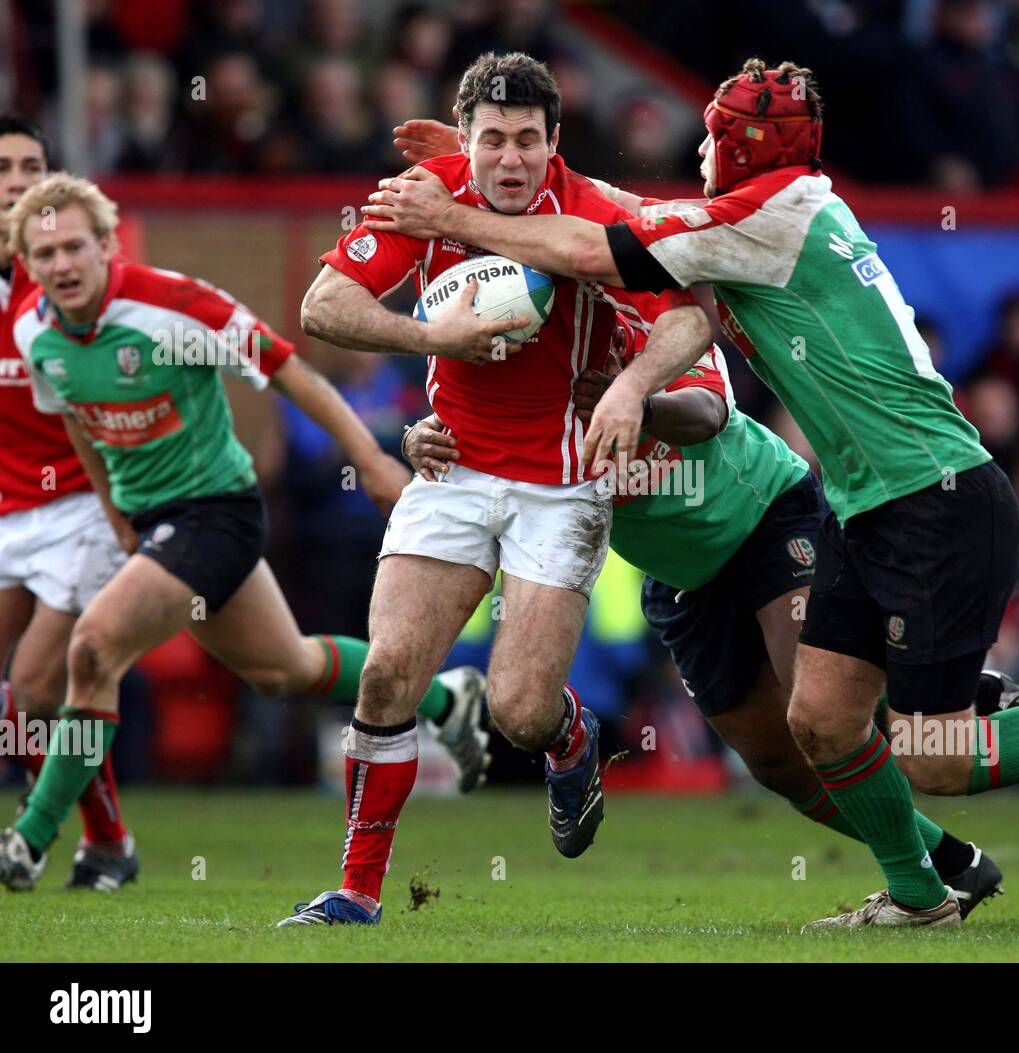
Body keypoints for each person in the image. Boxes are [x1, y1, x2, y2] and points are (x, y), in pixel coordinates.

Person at [364, 58, 1019, 929]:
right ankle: (922, 895)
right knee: (815, 729)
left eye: (712, 136)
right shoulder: (768, 209)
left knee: (928, 752)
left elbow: (603, 245)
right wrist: (501, 177)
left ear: (743, 148)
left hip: (928, 495)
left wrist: (457, 210)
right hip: (863, 505)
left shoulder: (761, 217)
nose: (698, 148)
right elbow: (611, 218)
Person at [281, 52, 710, 926]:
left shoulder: (594, 213)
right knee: (388, 673)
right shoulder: (426, 190)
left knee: (517, 710)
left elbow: (693, 316)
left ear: (555, 143)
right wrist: (428, 333)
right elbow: (323, 305)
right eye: (490, 141)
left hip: (561, 482)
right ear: (466, 141)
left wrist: (630, 390)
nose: (507, 160)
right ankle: (358, 890)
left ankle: (569, 736)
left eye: (525, 141)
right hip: (451, 467)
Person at [404, 310, 1013, 919]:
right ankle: (956, 862)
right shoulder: (523, 387)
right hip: (680, 579)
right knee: (779, 763)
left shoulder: (648, 321)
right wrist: (416, 441)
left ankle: (952, 693)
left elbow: (709, 413)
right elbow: (475, 467)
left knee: (820, 706)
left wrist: (637, 401)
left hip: (765, 518)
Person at [0, 173, 487, 893]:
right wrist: (114, 514)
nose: (63, 264)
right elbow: (75, 416)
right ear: (25, 263)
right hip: (157, 524)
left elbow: (293, 374)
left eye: (76, 246)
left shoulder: (174, 306)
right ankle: (450, 698)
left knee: (94, 647)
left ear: (107, 244)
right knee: (281, 667)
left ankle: (37, 841)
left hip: (215, 513)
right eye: (45, 254)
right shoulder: (35, 330)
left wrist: (374, 462)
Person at [0, 115, 135, 890]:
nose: (18, 178)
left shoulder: (66, 270)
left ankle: (49, 834)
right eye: (5, 165)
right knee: (29, 694)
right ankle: (108, 838)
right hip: (12, 505)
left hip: (85, 504)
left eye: (33, 164)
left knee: (36, 682)